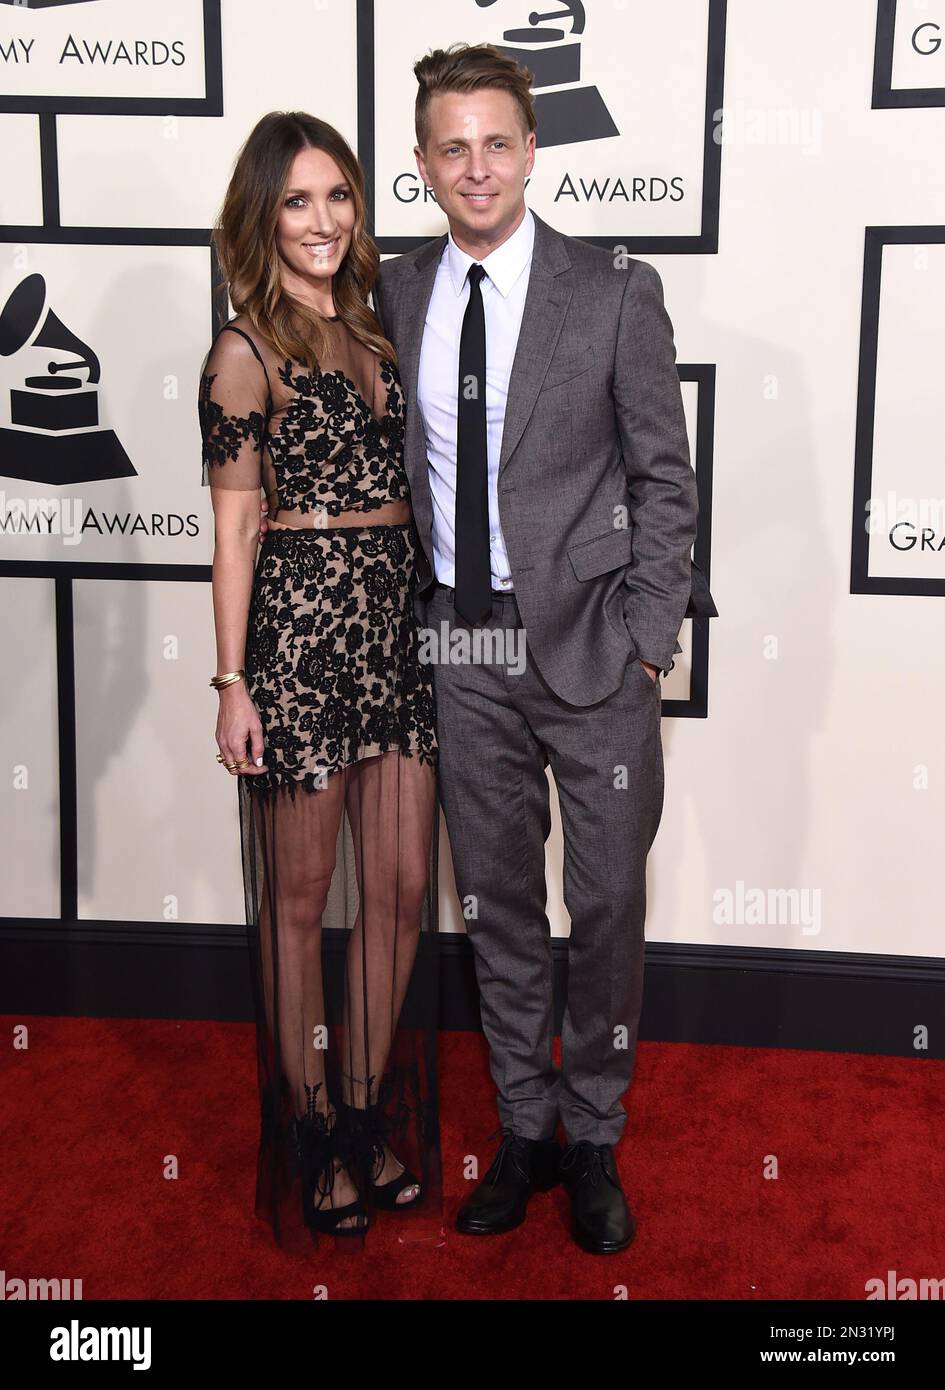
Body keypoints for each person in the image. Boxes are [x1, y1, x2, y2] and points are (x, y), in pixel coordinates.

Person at [369, 43, 718, 1255]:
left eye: (496, 142)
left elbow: (663, 479)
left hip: (592, 647)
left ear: (532, 150)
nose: (477, 167)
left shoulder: (612, 290)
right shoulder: (398, 292)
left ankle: (597, 1135)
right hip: (461, 644)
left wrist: (643, 638)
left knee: (608, 902)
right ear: (422, 167)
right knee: (501, 905)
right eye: (450, 148)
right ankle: (525, 1129)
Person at [198, 111, 440, 1253]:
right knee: (302, 904)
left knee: (394, 891)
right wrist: (233, 680)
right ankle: (306, 1128)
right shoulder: (245, 350)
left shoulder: (386, 328)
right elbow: (236, 525)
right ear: (263, 216)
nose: (324, 220)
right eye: (297, 201)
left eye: (338, 195)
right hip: (298, 638)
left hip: (397, 627)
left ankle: (359, 1108)